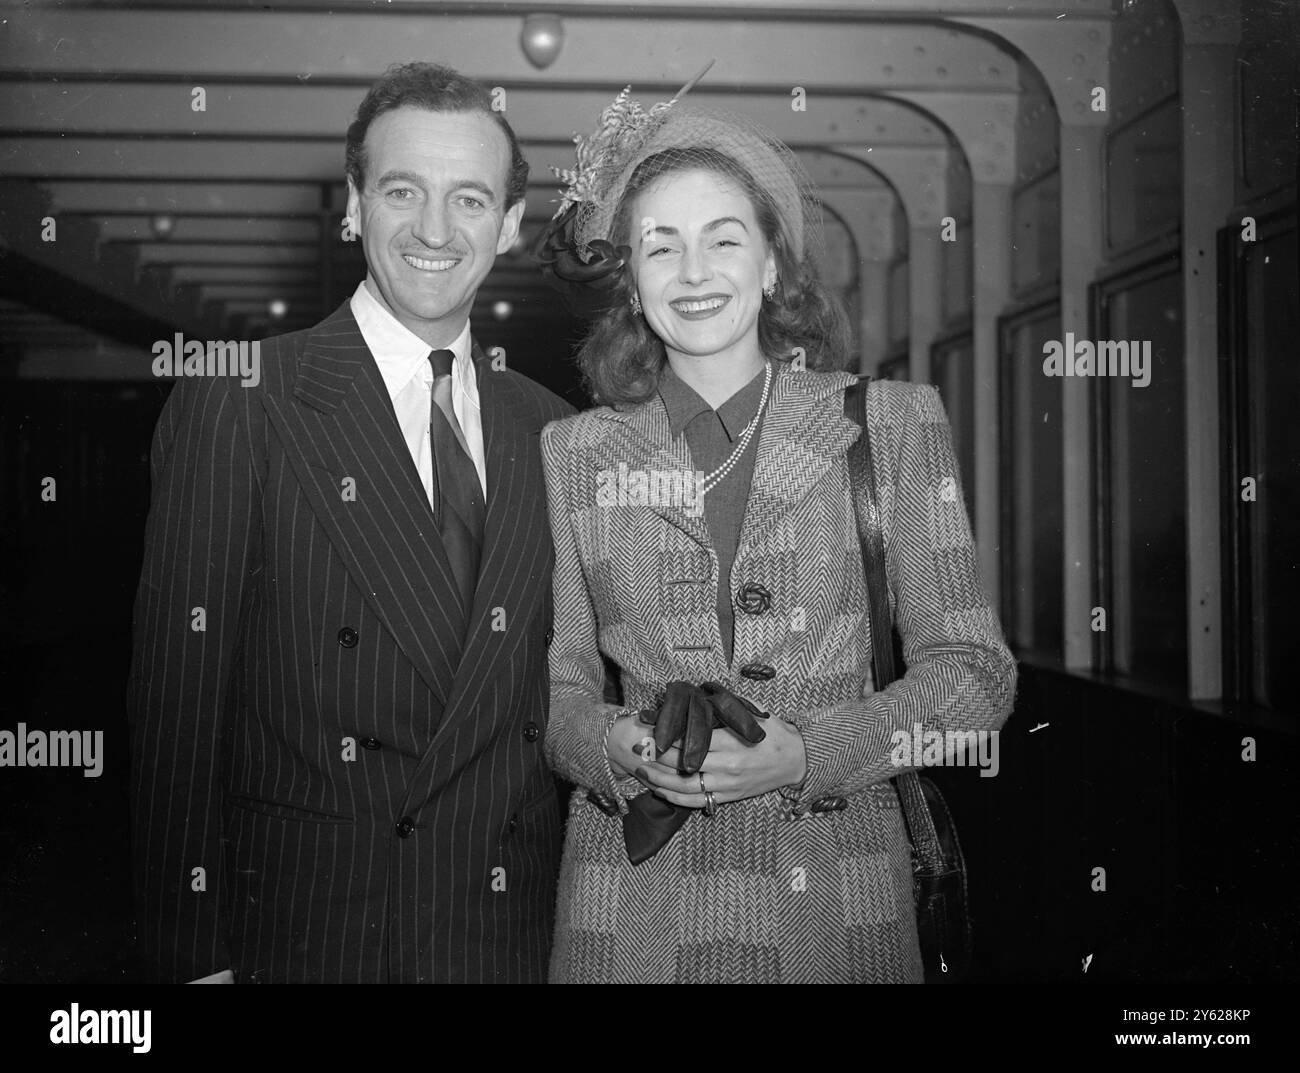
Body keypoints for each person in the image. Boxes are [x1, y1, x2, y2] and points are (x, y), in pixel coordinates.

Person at [536, 93, 1017, 983]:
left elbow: (976, 681)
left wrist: (810, 751)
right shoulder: (573, 453)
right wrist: (616, 745)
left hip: (834, 908)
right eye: (660, 246)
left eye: (723, 239)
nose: (693, 271)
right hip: (630, 914)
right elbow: (560, 694)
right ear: (633, 285)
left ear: (769, 269)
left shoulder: (893, 426)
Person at [128, 62, 572, 984]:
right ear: (353, 204)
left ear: (511, 225)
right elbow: (175, 710)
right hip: (312, 937)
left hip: (505, 939)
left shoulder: (552, 427)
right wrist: (194, 959)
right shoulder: (244, 399)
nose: (436, 231)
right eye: (403, 190)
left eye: (470, 198)